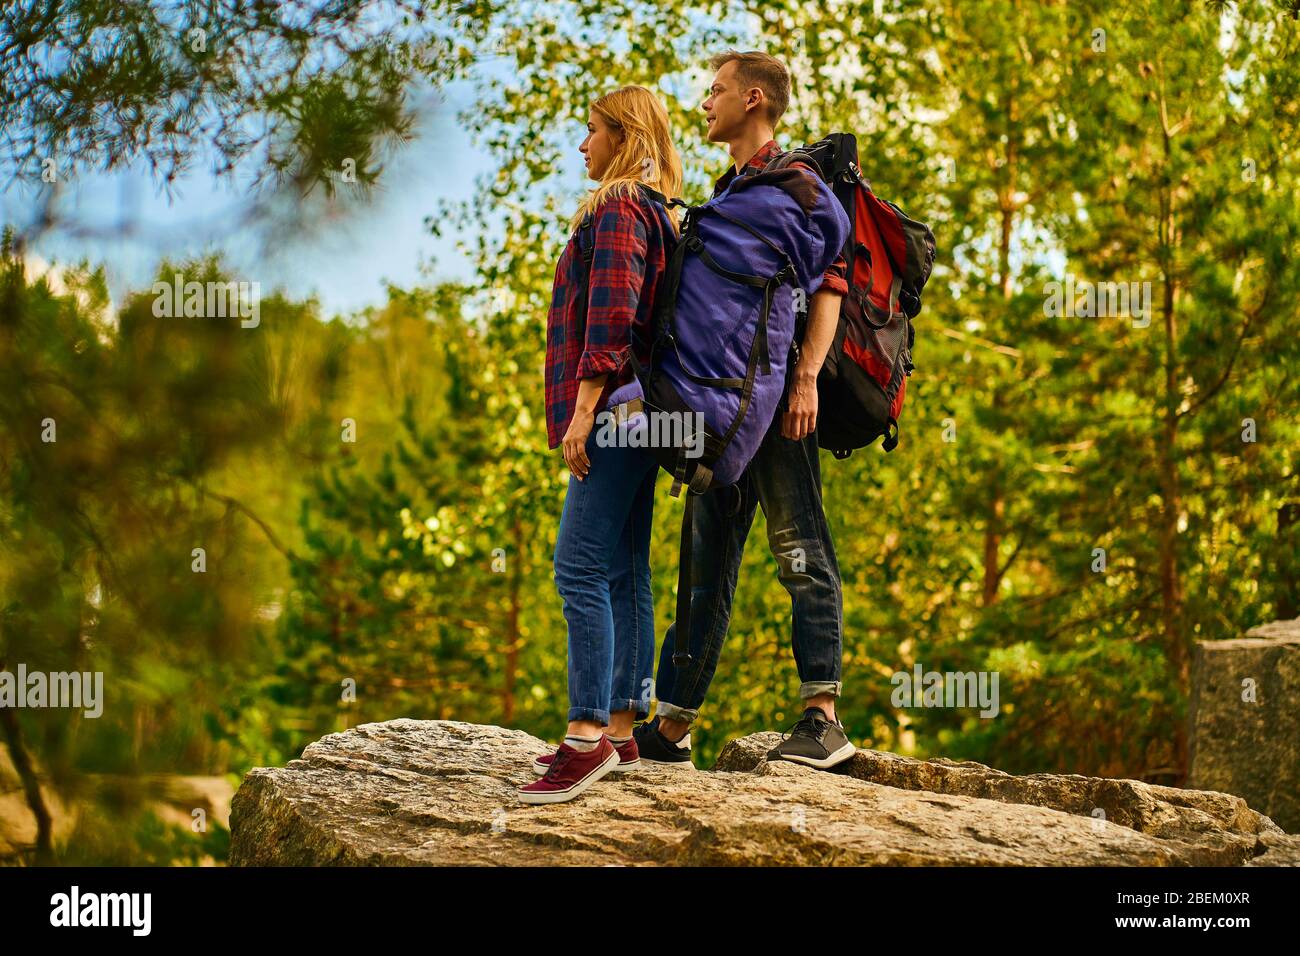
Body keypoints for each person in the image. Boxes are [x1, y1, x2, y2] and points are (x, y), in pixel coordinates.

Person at [634, 50, 856, 770]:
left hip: (780, 404)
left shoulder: (800, 186)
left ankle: (822, 719)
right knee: (702, 563)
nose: (705, 102)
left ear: (754, 99)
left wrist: (807, 381)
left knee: (800, 548)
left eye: (716, 90)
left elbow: (831, 286)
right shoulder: (734, 190)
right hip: (724, 406)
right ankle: (672, 728)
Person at [519, 86, 683, 804]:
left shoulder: (617, 207)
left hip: (616, 412)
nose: (581, 145)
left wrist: (583, 412)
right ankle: (621, 730)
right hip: (648, 415)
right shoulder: (658, 211)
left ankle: (583, 738)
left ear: (623, 137)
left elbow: (612, 321)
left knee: (577, 568)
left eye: (591, 131)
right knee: (625, 571)